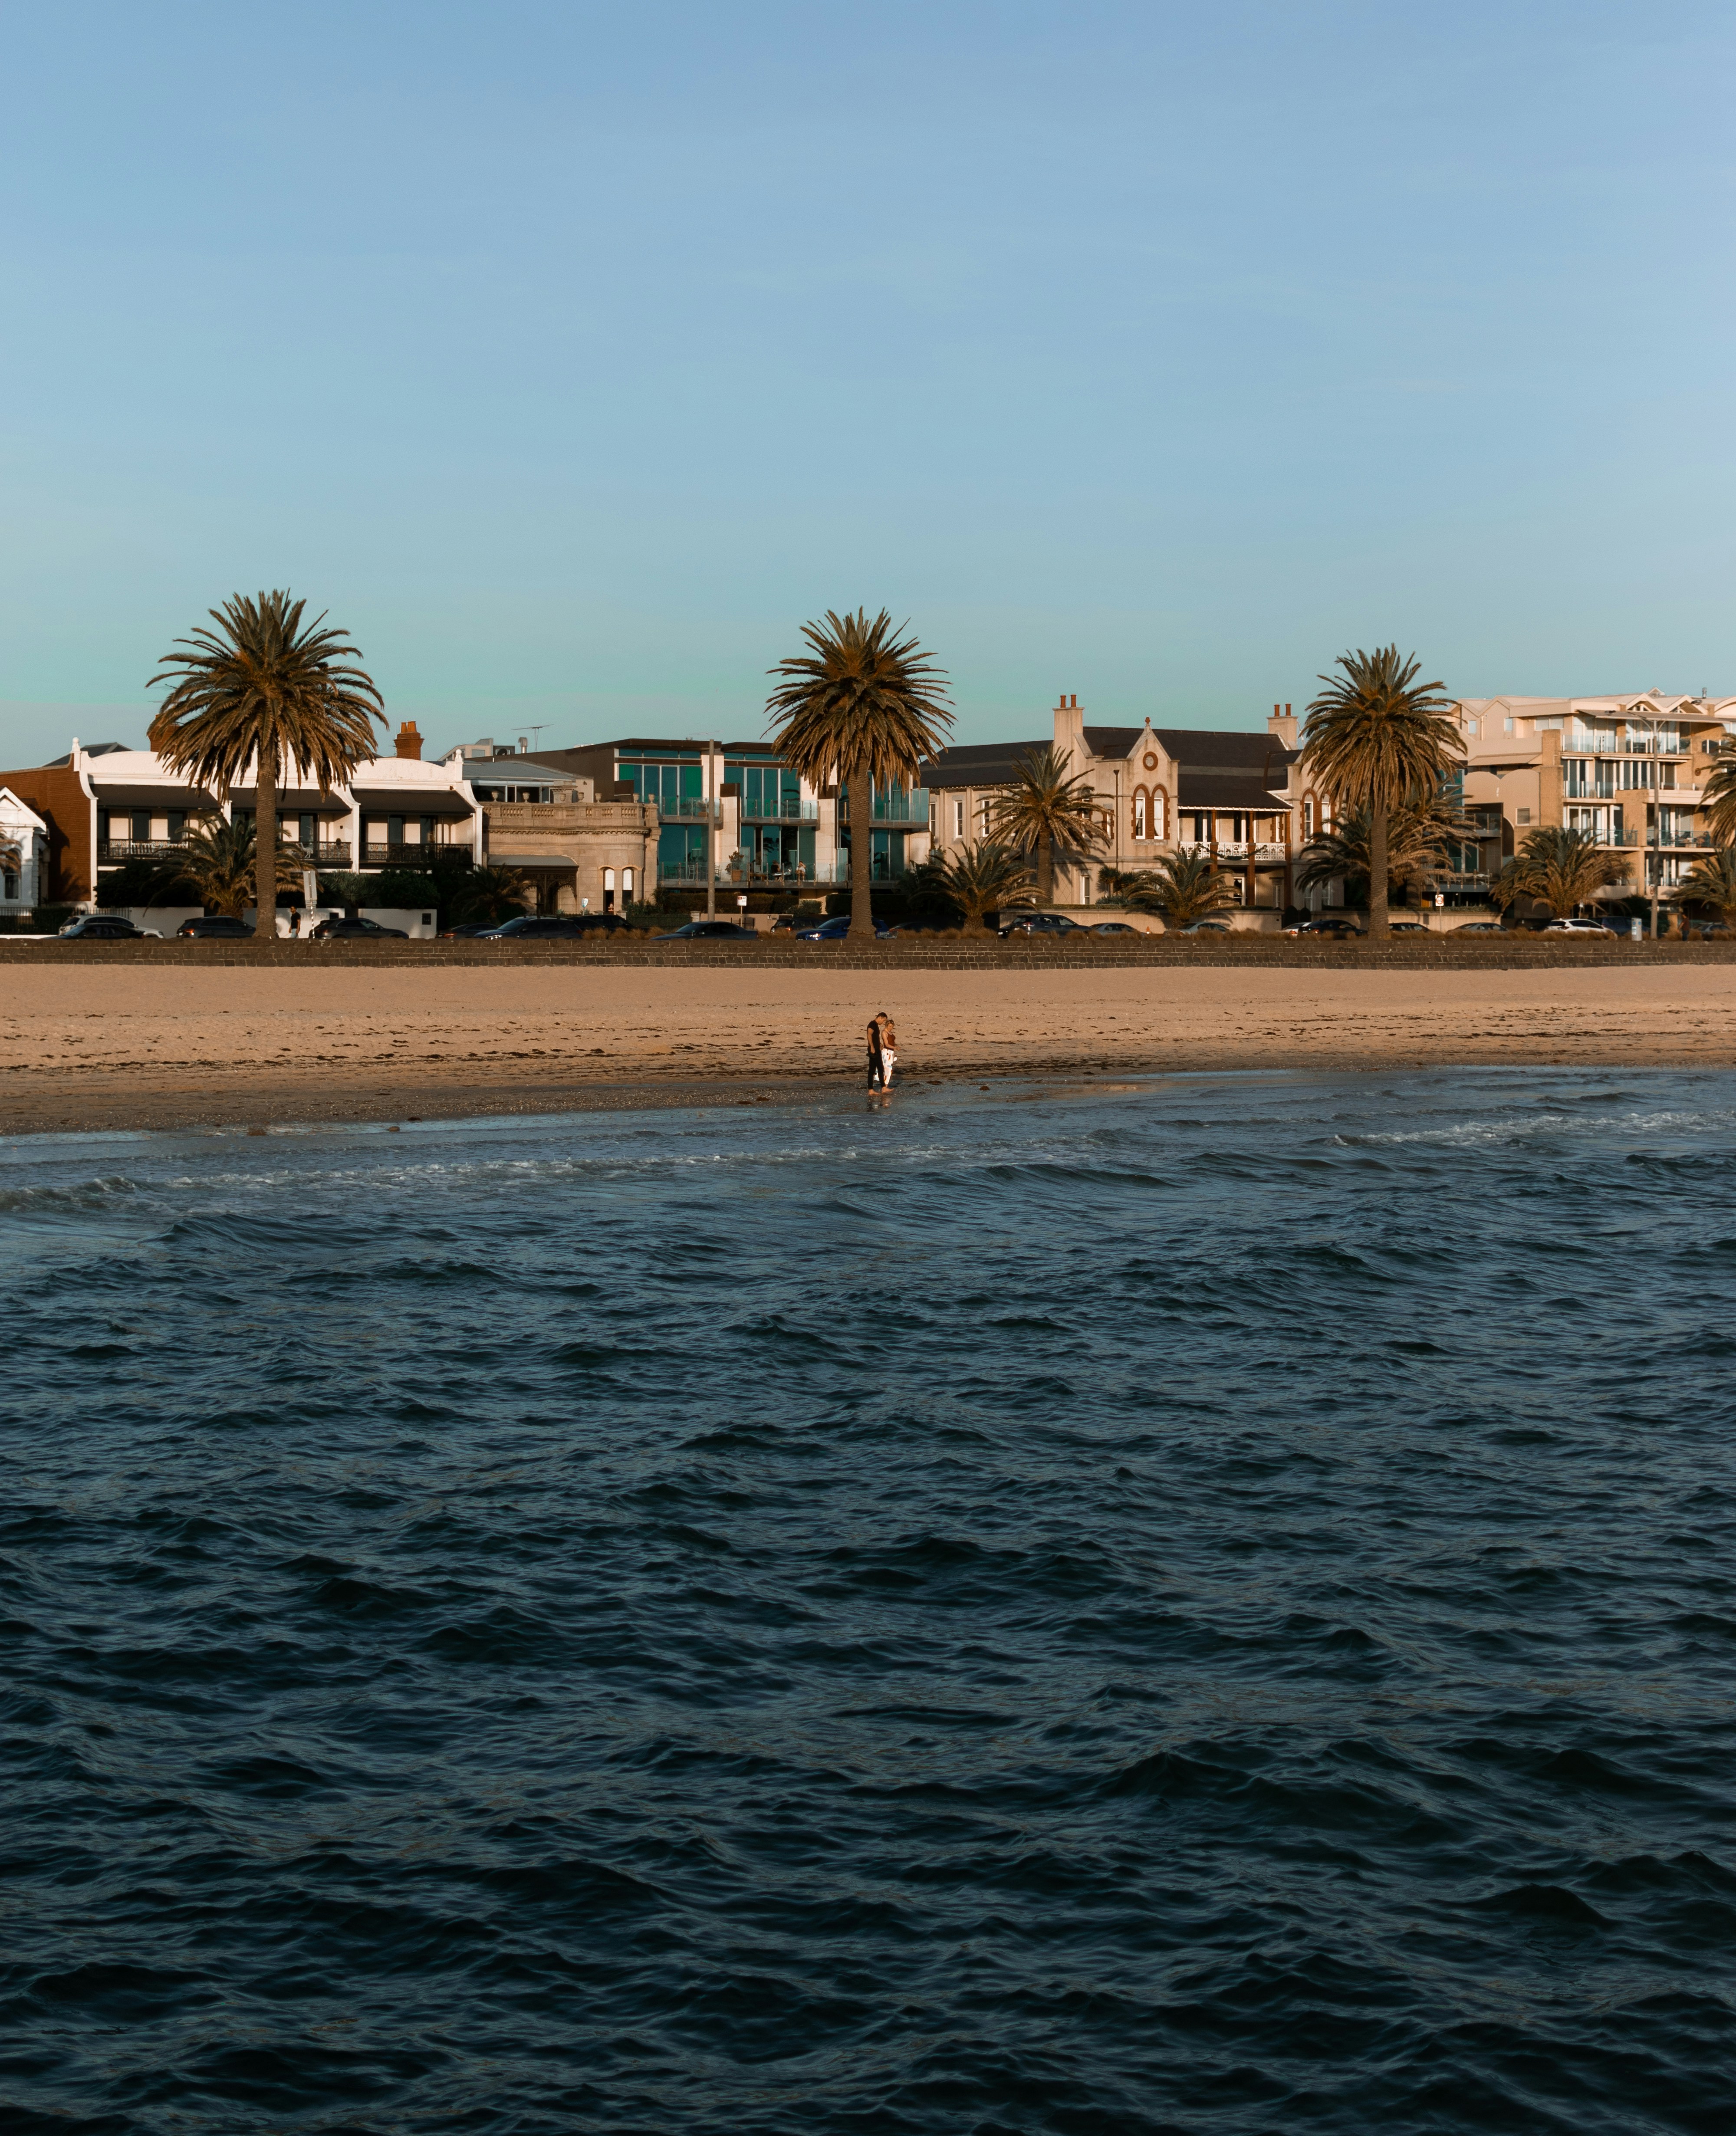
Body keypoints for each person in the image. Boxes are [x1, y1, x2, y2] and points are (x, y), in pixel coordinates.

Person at [877, 1012, 898, 1090]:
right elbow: (887, 1044)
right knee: (887, 1070)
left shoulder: (890, 1033)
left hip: (891, 1052)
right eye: (890, 1027)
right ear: (887, 1025)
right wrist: (896, 1048)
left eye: (892, 1027)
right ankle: (884, 1087)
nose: (891, 1028)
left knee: (889, 1070)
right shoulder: (884, 1032)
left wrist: (894, 1052)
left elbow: (892, 1043)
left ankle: (885, 1087)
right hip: (887, 1052)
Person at [866, 1015, 884, 1092]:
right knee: (880, 1068)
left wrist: (879, 1043)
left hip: (876, 1048)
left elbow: (875, 1037)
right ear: (880, 1017)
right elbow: (869, 1034)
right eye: (884, 1020)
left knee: (872, 1070)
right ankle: (884, 1088)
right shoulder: (873, 1024)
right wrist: (872, 1047)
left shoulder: (875, 1025)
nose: (883, 1023)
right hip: (874, 1050)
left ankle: (871, 1090)